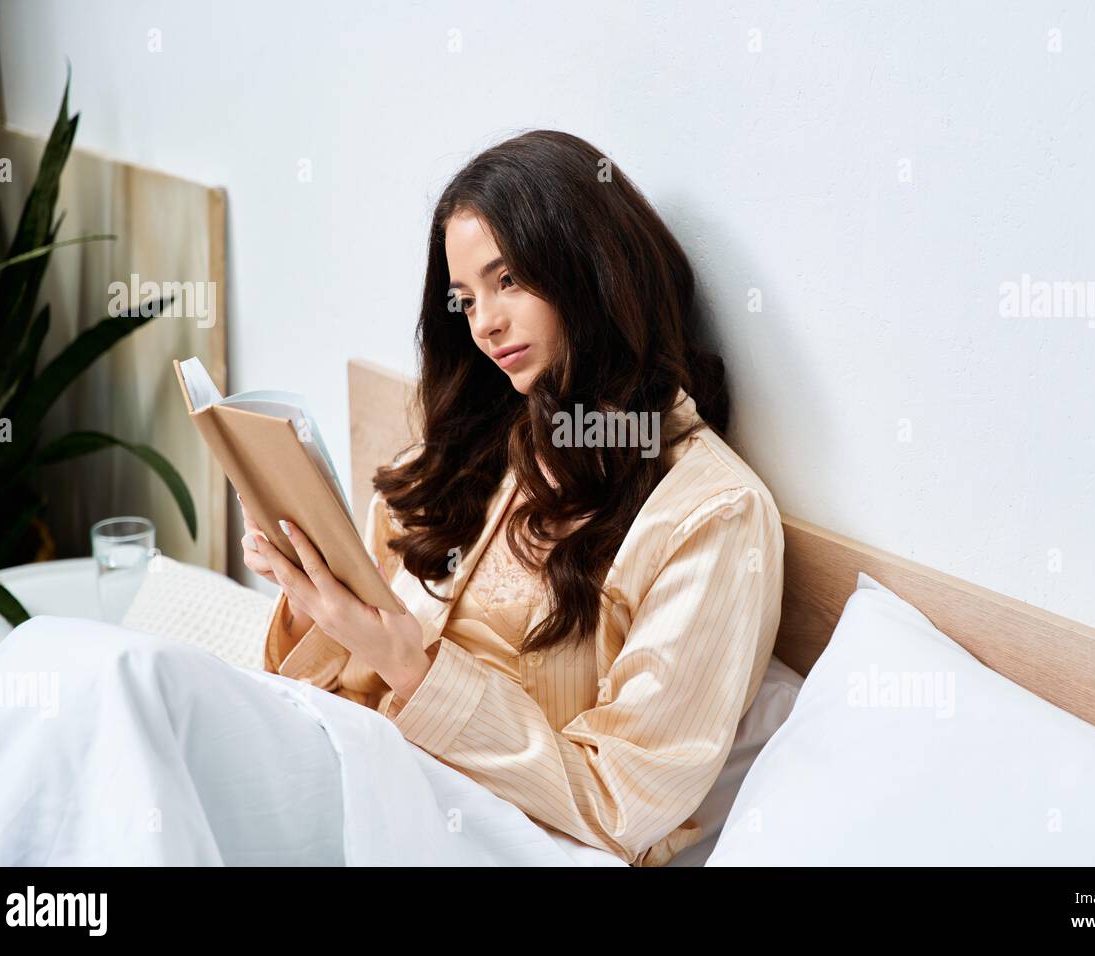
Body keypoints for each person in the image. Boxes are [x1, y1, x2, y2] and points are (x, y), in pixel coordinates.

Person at [245, 130, 785, 867]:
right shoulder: (470, 445)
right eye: (465, 299)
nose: (485, 324)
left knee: (130, 689)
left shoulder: (714, 514)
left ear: (592, 270)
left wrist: (415, 671)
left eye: (510, 282)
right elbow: (336, 672)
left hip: (504, 839)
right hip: (361, 767)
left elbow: (619, 803)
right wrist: (307, 592)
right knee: (121, 691)